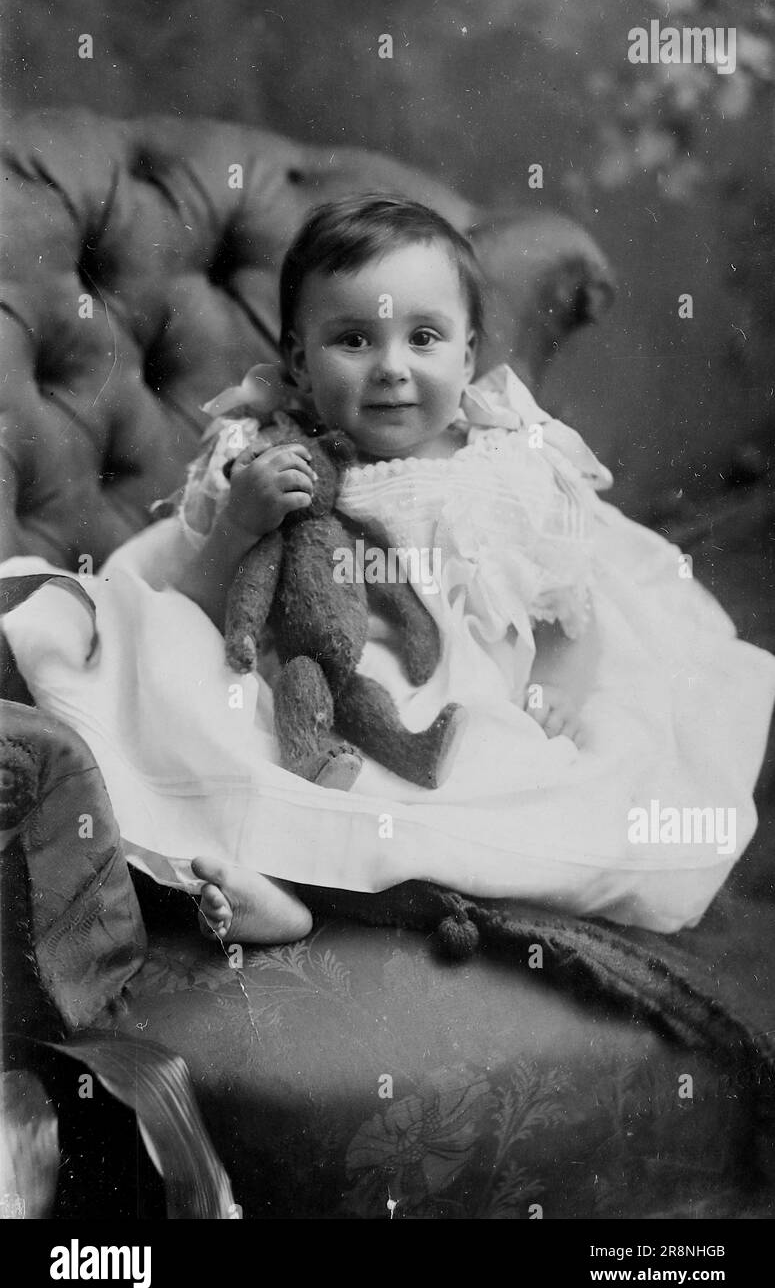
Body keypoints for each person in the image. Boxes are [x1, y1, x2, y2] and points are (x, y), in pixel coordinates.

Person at [3, 195, 774, 946]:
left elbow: (562, 609)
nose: (391, 368)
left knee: (473, 786)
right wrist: (241, 520)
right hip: (290, 682)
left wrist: (554, 699)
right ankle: (281, 894)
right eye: (353, 340)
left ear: (469, 355)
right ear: (299, 364)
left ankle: (310, 891)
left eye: (424, 337)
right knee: (186, 700)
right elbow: (198, 607)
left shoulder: (504, 471)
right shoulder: (264, 455)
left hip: (447, 692)